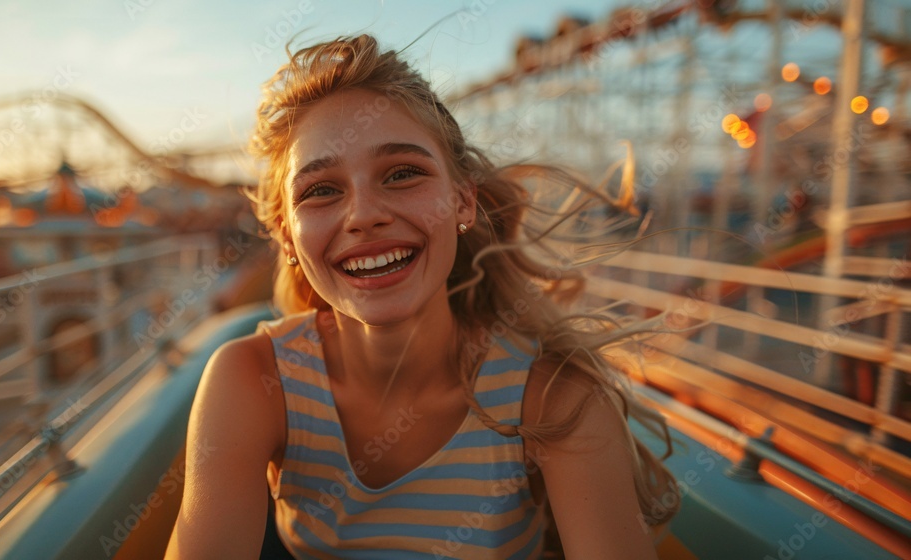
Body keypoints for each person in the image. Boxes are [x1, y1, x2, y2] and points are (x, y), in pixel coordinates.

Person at [166, 34, 678, 559]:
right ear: (285, 235)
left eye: (403, 173)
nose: (364, 214)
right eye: (321, 190)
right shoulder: (253, 381)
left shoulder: (553, 398)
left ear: (462, 201)